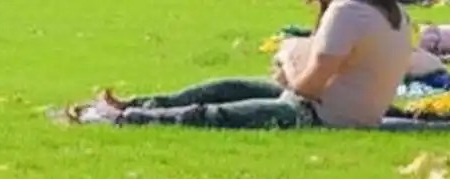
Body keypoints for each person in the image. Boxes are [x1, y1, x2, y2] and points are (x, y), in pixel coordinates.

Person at [69, 0, 413, 130]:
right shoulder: (394, 14)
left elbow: (307, 86)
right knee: (224, 88)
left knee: (215, 114)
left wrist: (287, 60)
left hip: (319, 115)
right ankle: (137, 105)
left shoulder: (348, 11)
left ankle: (127, 118)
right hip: (335, 109)